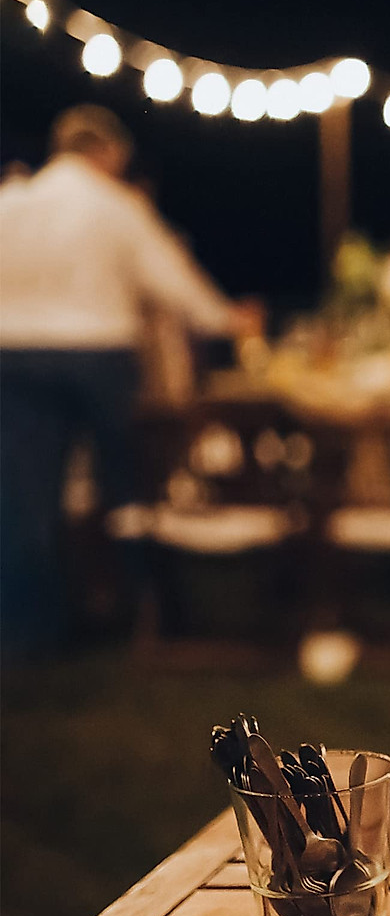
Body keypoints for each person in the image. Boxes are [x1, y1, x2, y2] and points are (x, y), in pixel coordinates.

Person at [0, 105, 251, 665]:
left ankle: (28, 633)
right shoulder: (116, 206)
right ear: (108, 153)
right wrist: (225, 319)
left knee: (22, 497)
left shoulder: (10, 203)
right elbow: (171, 281)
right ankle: (149, 612)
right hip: (95, 353)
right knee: (129, 482)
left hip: (13, 355)